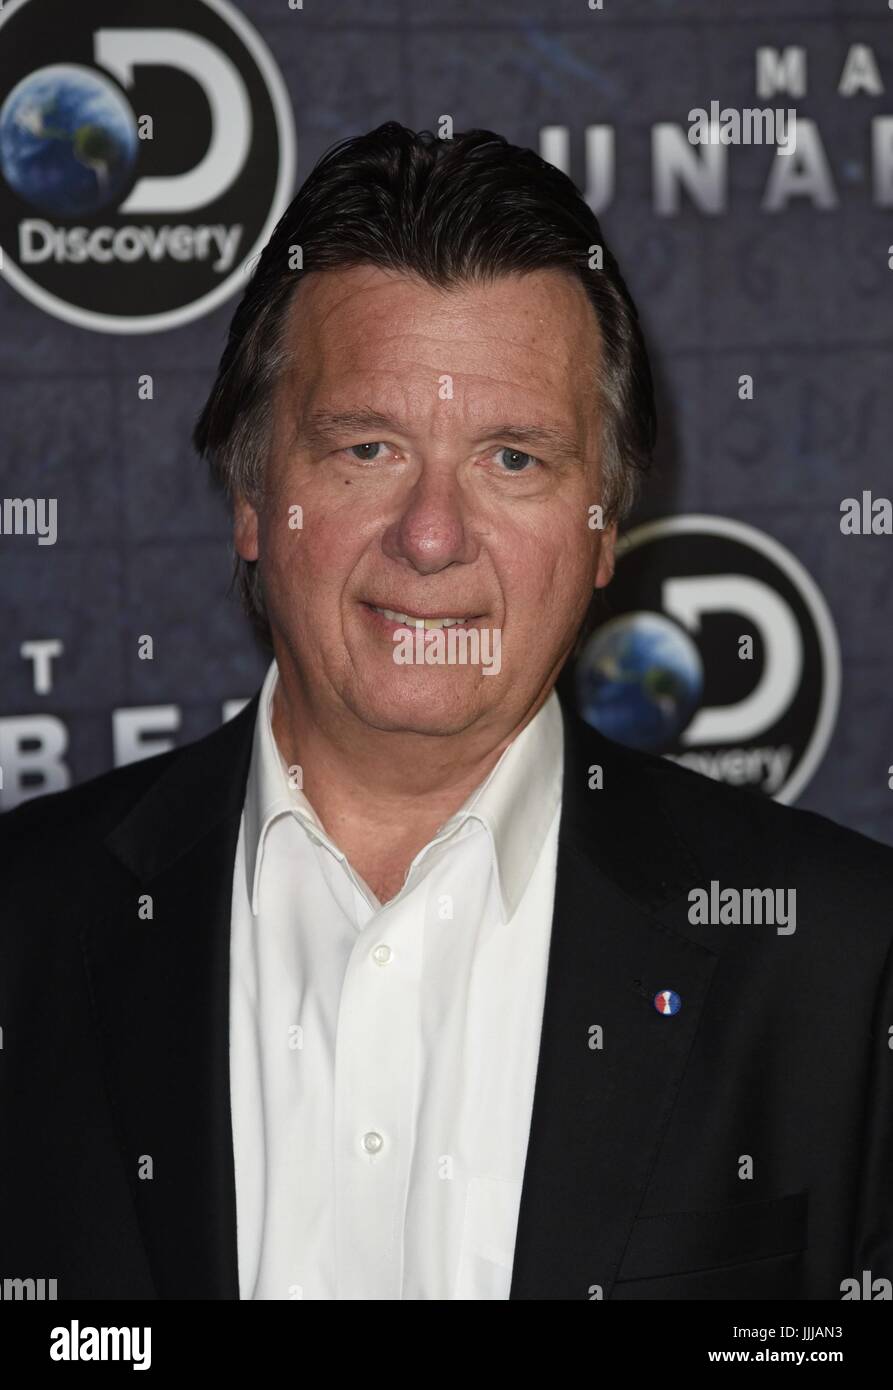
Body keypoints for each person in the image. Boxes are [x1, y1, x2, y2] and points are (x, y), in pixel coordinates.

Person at [1, 122, 891, 1302]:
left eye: (513, 459)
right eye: (366, 447)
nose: (430, 535)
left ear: (603, 525)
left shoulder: (835, 955)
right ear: (253, 499)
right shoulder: (23, 925)